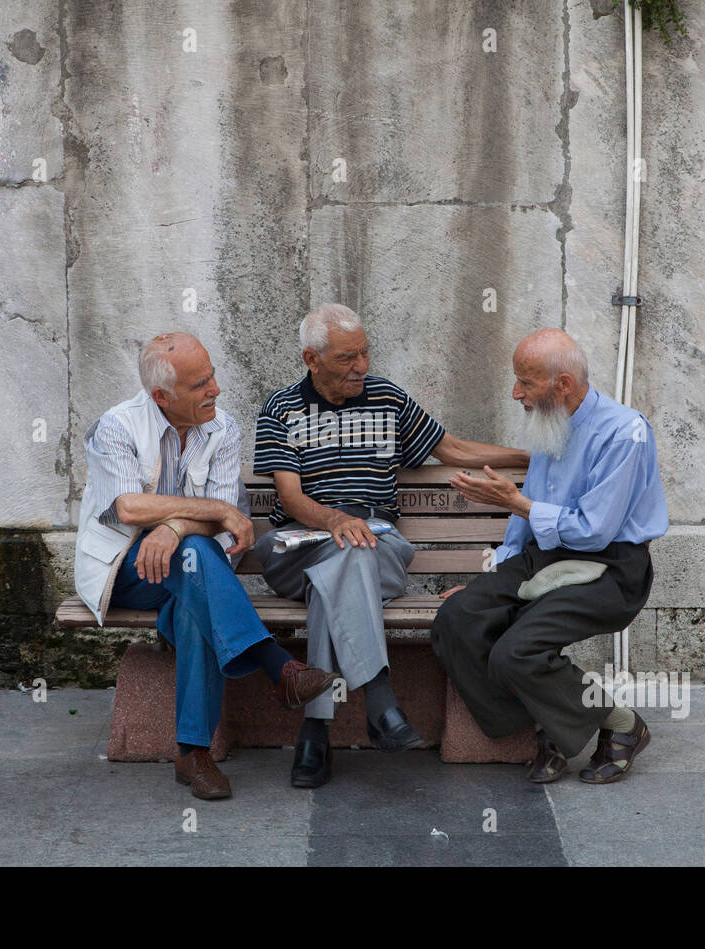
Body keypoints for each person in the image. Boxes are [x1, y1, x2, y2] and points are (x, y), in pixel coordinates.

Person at [252, 304, 529, 788]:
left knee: (344, 564)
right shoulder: (281, 409)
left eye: (364, 353)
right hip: (296, 548)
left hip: (378, 546)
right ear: (311, 359)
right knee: (342, 552)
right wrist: (337, 519)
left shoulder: (386, 398)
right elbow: (291, 498)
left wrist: (536, 456)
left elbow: (454, 451)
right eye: (346, 358)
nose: (361, 366)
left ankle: (315, 731)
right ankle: (380, 703)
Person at [75, 332, 337, 801]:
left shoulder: (222, 428)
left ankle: (194, 754)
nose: (215, 389)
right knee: (195, 566)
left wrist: (174, 528)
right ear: (162, 397)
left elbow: (224, 524)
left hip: (196, 571)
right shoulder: (116, 427)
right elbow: (129, 508)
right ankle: (275, 665)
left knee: (194, 588)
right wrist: (194, 518)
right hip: (125, 571)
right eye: (200, 384)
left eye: (212, 376)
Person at [431, 328, 669, 785]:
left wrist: (514, 501)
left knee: (515, 653)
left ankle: (620, 723)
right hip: (544, 557)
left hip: (610, 569)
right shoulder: (551, 419)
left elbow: (593, 531)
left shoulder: (626, 432)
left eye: (526, 382)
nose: (515, 393)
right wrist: (493, 583)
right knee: (458, 617)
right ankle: (545, 725)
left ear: (562, 383)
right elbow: (529, 515)